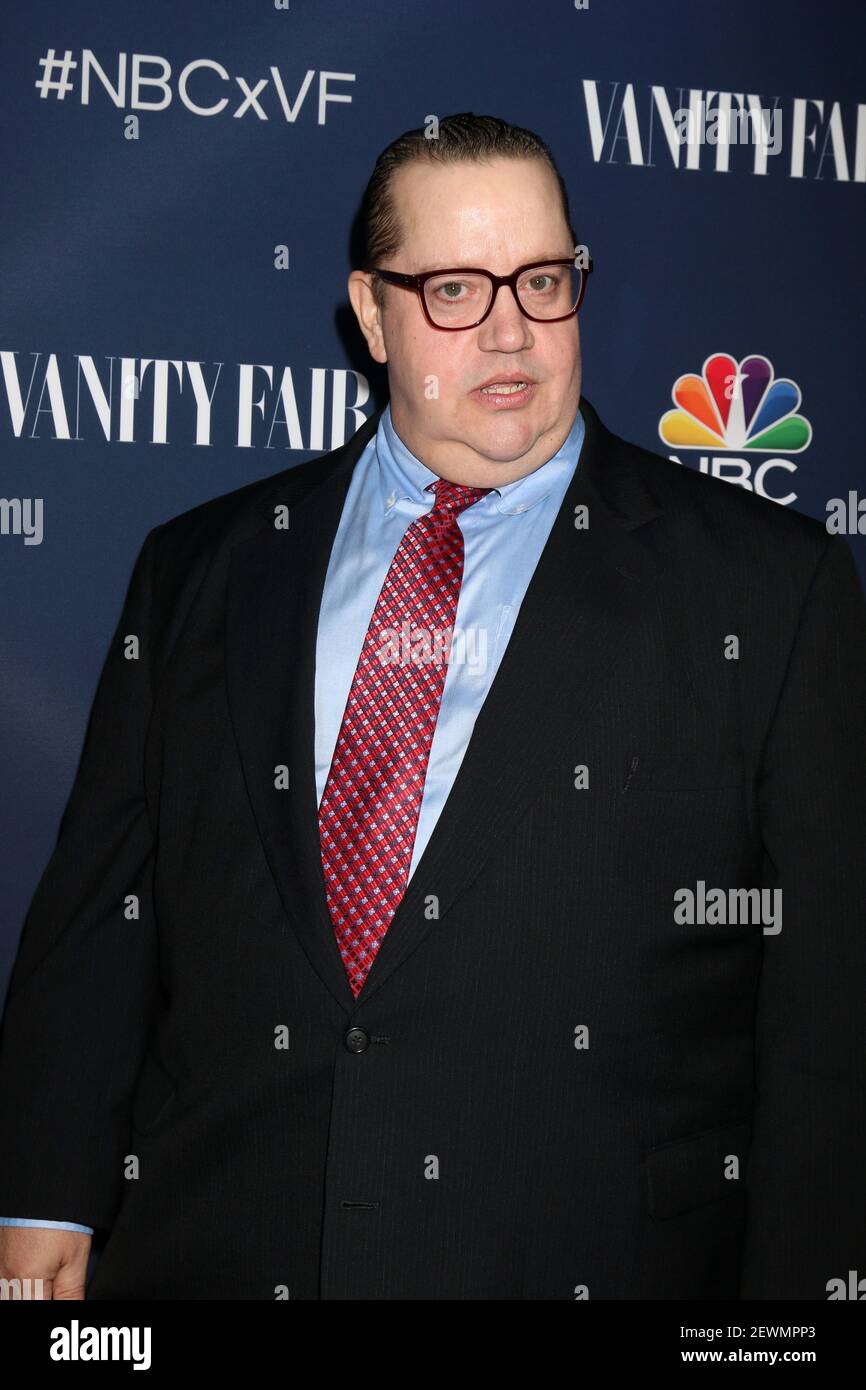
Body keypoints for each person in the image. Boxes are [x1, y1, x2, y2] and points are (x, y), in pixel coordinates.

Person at [1, 113, 864, 1301]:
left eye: (543, 279)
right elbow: (101, 917)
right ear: (370, 311)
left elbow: (826, 1027)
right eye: (455, 287)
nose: (510, 330)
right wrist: (45, 1195)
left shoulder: (768, 588)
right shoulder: (204, 568)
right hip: (215, 1253)